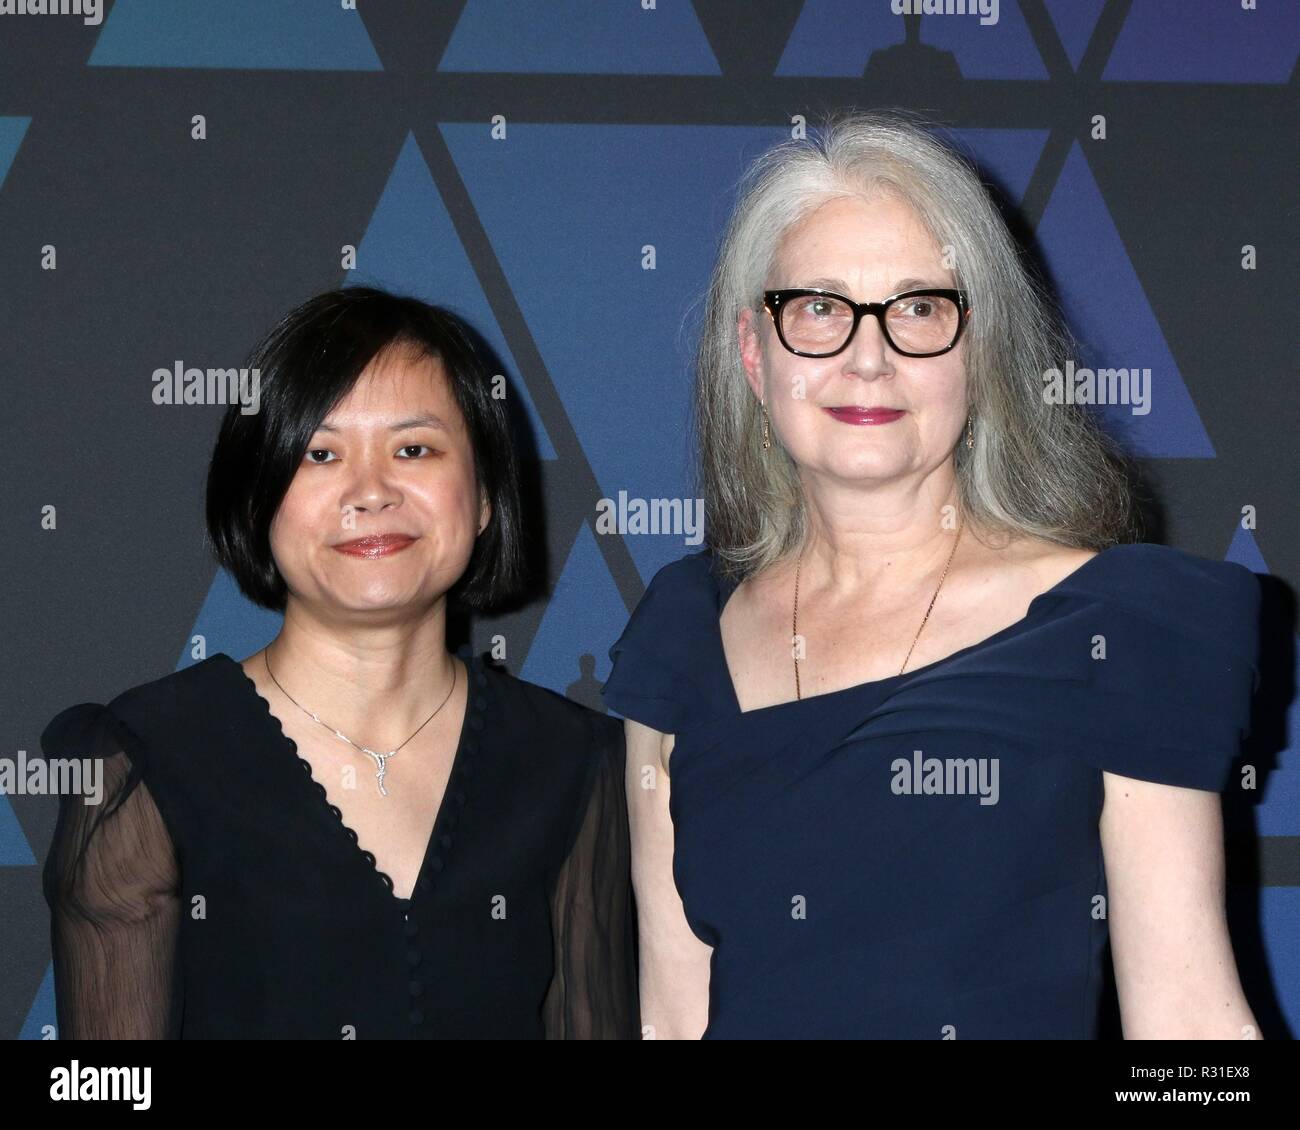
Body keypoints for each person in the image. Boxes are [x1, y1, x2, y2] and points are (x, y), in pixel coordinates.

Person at [602, 109, 1263, 1039]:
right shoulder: (682, 634)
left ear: (978, 352)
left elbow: (1190, 1024)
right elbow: (672, 1018)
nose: (868, 358)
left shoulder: (1114, 628)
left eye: (919, 308)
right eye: (821, 308)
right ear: (756, 353)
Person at [39, 287, 638, 1039]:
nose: (371, 492)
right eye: (320, 454)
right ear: (260, 500)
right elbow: (100, 1089)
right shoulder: (150, 761)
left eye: (413, 449)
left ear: (484, 496)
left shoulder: (576, 763)